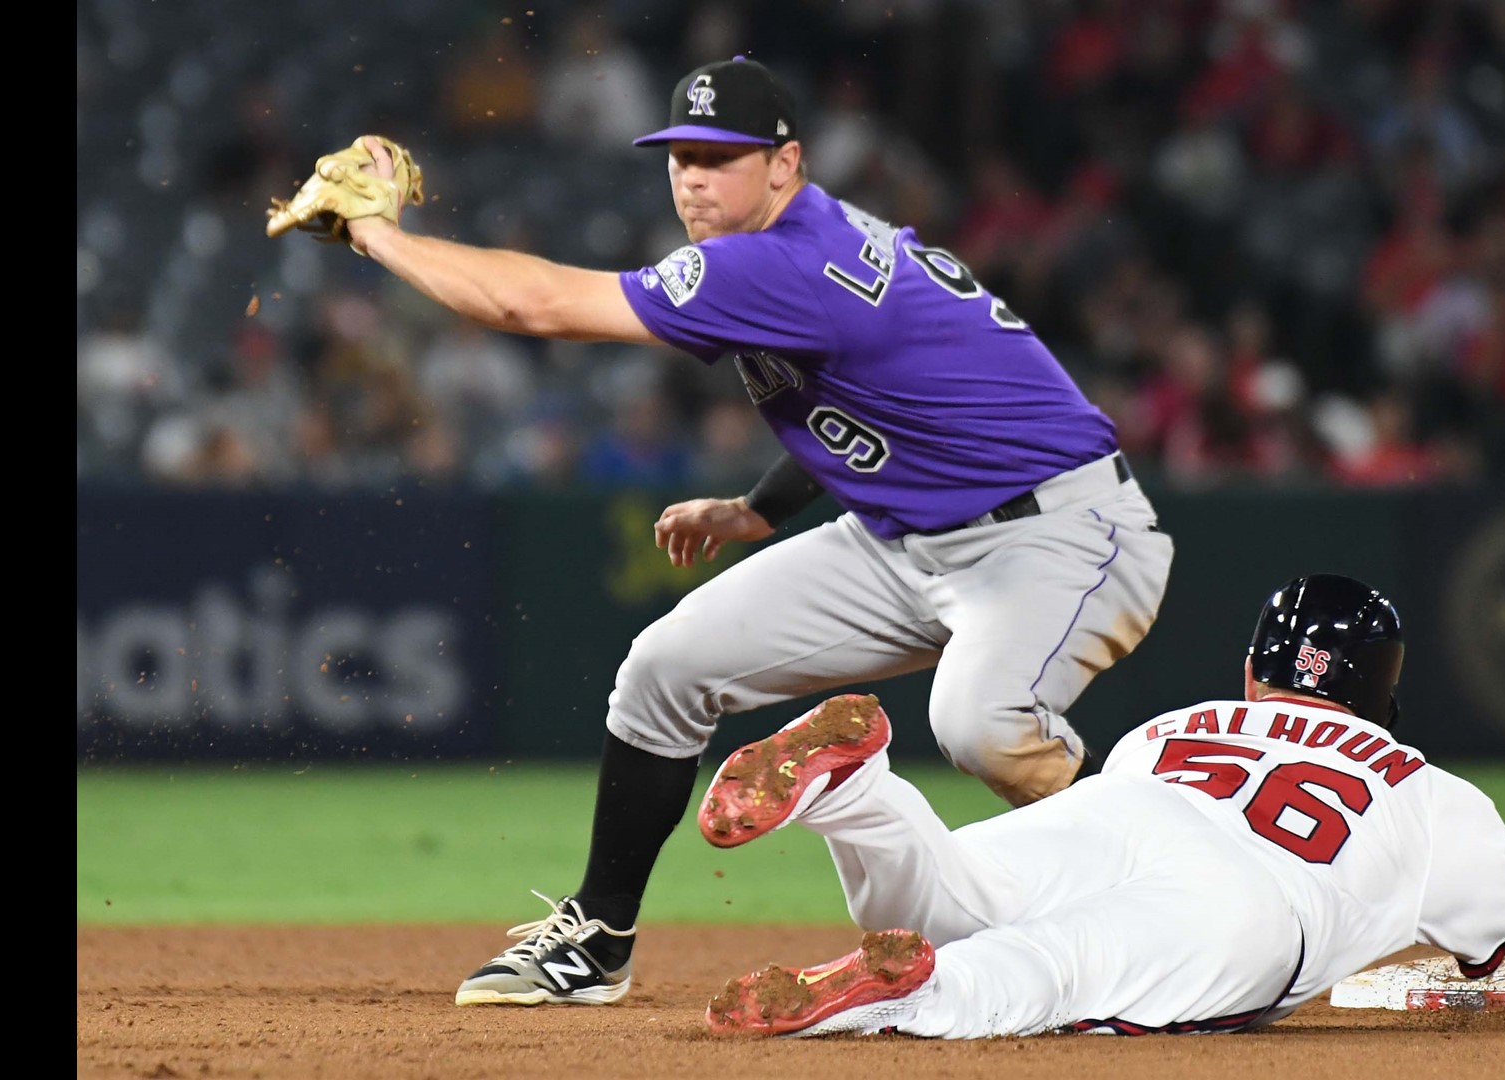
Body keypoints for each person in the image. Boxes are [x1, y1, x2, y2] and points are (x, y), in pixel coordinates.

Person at [274, 57, 1175, 1006]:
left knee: (981, 725)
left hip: (1061, 532)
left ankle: (1190, 883)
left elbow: (526, 303)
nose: (695, 177)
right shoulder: (805, 242)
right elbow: (892, 410)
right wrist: (761, 509)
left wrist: (376, 233)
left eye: (722, 157)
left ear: (784, 164)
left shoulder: (779, 262)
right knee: (667, 668)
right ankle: (598, 940)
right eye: (681, 157)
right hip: (904, 534)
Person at [696, 574, 1505, 1037]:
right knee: (1056, 971)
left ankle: (863, 794)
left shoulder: (1175, 724)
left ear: (1253, 669)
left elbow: (1114, 833)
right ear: (1381, 692)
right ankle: (912, 999)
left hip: (1120, 806)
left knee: (964, 890)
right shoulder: (1433, 794)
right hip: (1249, 903)